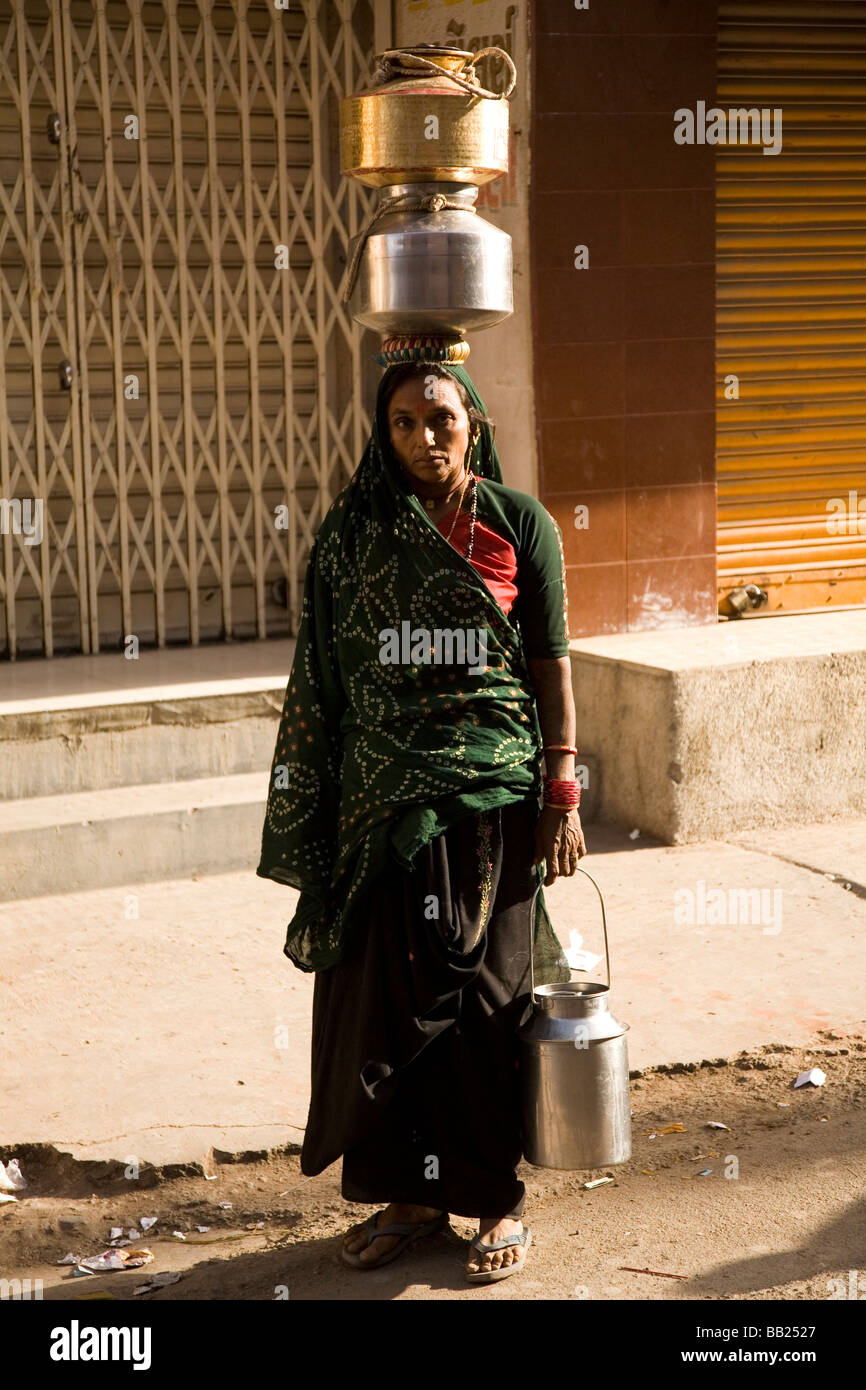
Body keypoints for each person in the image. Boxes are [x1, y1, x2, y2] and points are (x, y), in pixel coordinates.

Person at [257, 359, 586, 1284]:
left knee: (487, 1003)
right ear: (383, 433)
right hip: (385, 808)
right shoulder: (356, 533)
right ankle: (411, 1199)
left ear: (471, 422)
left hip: (494, 803)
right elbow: (325, 676)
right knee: (390, 1010)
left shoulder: (521, 523)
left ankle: (493, 1199)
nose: (422, 439)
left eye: (438, 419)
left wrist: (562, 786)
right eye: (402, 423)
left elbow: (551, 662)